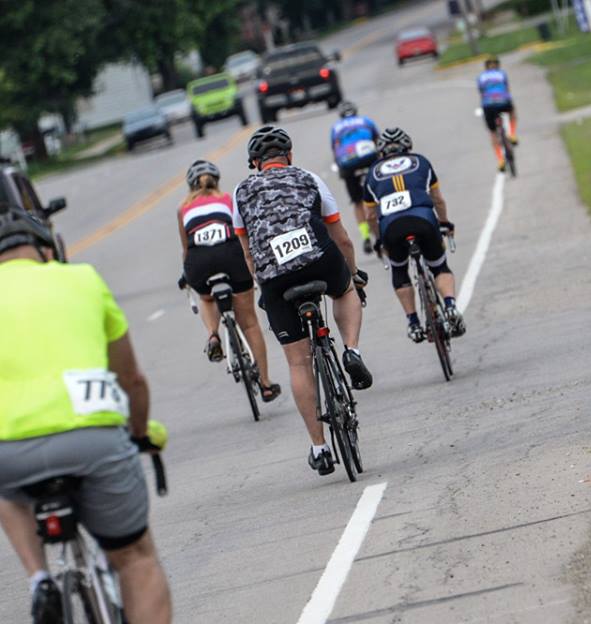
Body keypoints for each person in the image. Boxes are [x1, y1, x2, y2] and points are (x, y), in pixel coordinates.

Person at [0, 202, 172, 624]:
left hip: (8, 450)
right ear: (45, 250)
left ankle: (39, 577)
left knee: (7, 490)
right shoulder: (82, 279)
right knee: (135, 557)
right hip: (91, 437)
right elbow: (131, 378)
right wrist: (138, 433)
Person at [233, 126, 372, 477]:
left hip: (275, 276)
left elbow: (247, 253)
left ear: (254, 163)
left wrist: (264, 284)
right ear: (289, 156)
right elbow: (341, 237)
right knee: (344, 291)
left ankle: (320, 448)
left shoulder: (240, 191)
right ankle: (351, 350)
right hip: (319, 259)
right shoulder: (309, 178)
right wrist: (353, 274)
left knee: (298, 364)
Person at [177, 159, 280, 401]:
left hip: (200, 261)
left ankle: (213, 334)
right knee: (250, 322)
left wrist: (186, 274)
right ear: (217, 181)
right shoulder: (228, 200)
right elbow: (242, 233)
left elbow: (186, 248)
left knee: (206, 297)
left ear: (191, 186)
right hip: (231, 256)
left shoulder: (183, 208)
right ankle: (265, 383)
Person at [363, 127, 466, 342]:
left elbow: (370, 215)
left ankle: (413, 323)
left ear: (381, 153)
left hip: (391, 227)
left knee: (399, 271)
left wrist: (379, 239)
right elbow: (437, 199)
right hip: (424, 220)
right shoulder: (421, 162)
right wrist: (445, 222)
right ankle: (450, 305)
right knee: (439, 266)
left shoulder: (372, 172)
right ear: (408, 147)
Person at [330, 101, 380, 255]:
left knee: (358, 202)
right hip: (369, 158)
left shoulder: (335, 128)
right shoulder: (366, 121)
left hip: (349, 164)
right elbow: (378, 142)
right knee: (377, 194)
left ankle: (365, 236)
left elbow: (335, 151)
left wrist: (341, 170)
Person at [477, 55, 517, 172]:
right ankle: (513, 134)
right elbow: (507, 89)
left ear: (486, 67)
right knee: (512, 112)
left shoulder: (481, 77)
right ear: (497, 65)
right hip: (503, 102)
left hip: (488, 105)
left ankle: (500, 160)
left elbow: (481, 92)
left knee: (493, 133)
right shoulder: (502, 74)